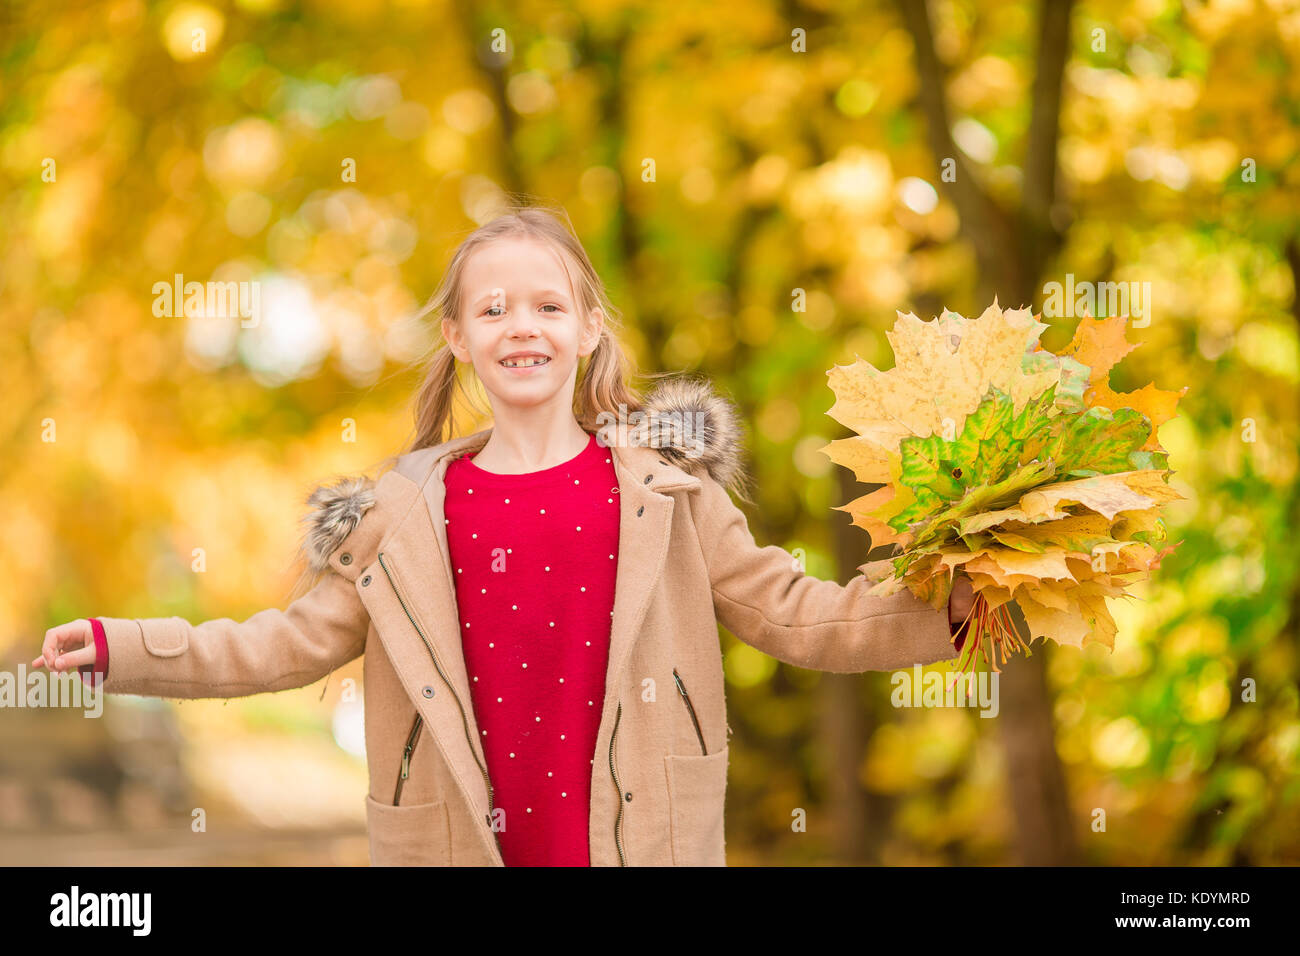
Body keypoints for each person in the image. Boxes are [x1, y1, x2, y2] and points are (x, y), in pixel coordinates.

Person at [36, 202, 975, 866]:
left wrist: (951, 609)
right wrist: (126, 648)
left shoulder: (665, 490)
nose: (520, 328)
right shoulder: (399, 512)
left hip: (641, 845)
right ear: (456, 335)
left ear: (589, 328)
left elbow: (796, 614)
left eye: (546, 307)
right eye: (493, 310)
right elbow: (284, 644)